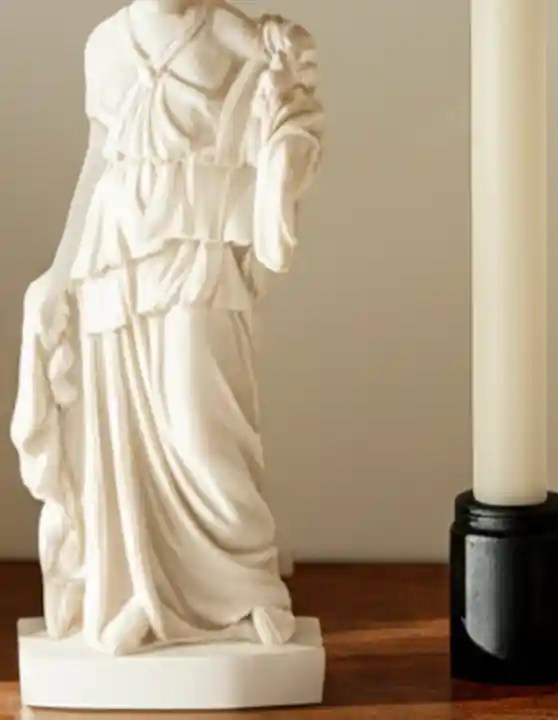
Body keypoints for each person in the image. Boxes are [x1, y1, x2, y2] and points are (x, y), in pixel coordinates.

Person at [10, 0, 324, 656]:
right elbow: (97, 162)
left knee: (201, 428)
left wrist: (285, 137)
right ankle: (137, 598)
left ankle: (247, 591)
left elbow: (289, 112)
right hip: (115, 254)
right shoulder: (105, 45)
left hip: (196, 248)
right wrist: (59, 271)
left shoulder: (234, 33)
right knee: (120, 437)